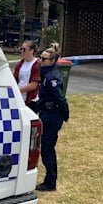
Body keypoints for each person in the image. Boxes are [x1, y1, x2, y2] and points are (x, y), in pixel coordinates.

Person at [35, 42, 69, 192]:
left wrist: (65, 115)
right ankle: (49, 179)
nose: (40, 61)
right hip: (46, 113)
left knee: (47, 149)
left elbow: (60, 99)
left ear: (53, 61)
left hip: (52, 116)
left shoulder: (52, 77)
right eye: (40, 58)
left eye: (43, 59)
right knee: (45, 148)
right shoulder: (44, 74)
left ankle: (50, 182)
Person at [12, 40, 41, 112]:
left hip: (30, 100)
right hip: (19, 98)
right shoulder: (20, 64)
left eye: (24, 49)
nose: (22, 51)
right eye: (21, 49)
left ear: (31, 51)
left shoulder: (36, 65)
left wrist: (18, 90)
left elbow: (34, 85)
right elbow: (14, 78)